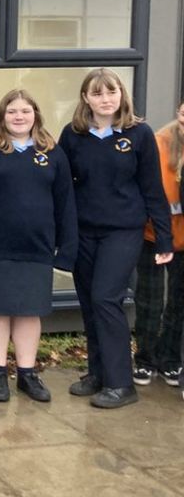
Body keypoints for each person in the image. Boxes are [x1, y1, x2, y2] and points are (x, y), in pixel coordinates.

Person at [59, 68, 173, 409]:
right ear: (85, 99)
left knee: (106, 299)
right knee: (90, 303)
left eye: (111, 92)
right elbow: (63, 187)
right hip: (83, 232)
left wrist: (164, 239)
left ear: (121, 95)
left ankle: (122, 383)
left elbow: (153, 189)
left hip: (122, 231)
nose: (105, 99)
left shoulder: (138, 134)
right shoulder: (73, 135)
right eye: (97, 93)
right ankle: (97, 374)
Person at [0, 89, 77, 403]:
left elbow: (65, 203)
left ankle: (27, 374)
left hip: (37, 248)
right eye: (12, 111)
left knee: (29, 312)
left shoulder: (52, 152)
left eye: (25, 111)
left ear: (36, 115)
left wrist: (66, 250)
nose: (19, 116)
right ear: (2, 116)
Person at [131, 100, 184, 388]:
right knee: (150, 300)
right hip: (153, 236)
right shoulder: (159, 142)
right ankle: (145, 359)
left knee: (178, 302)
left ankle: (171, 360)